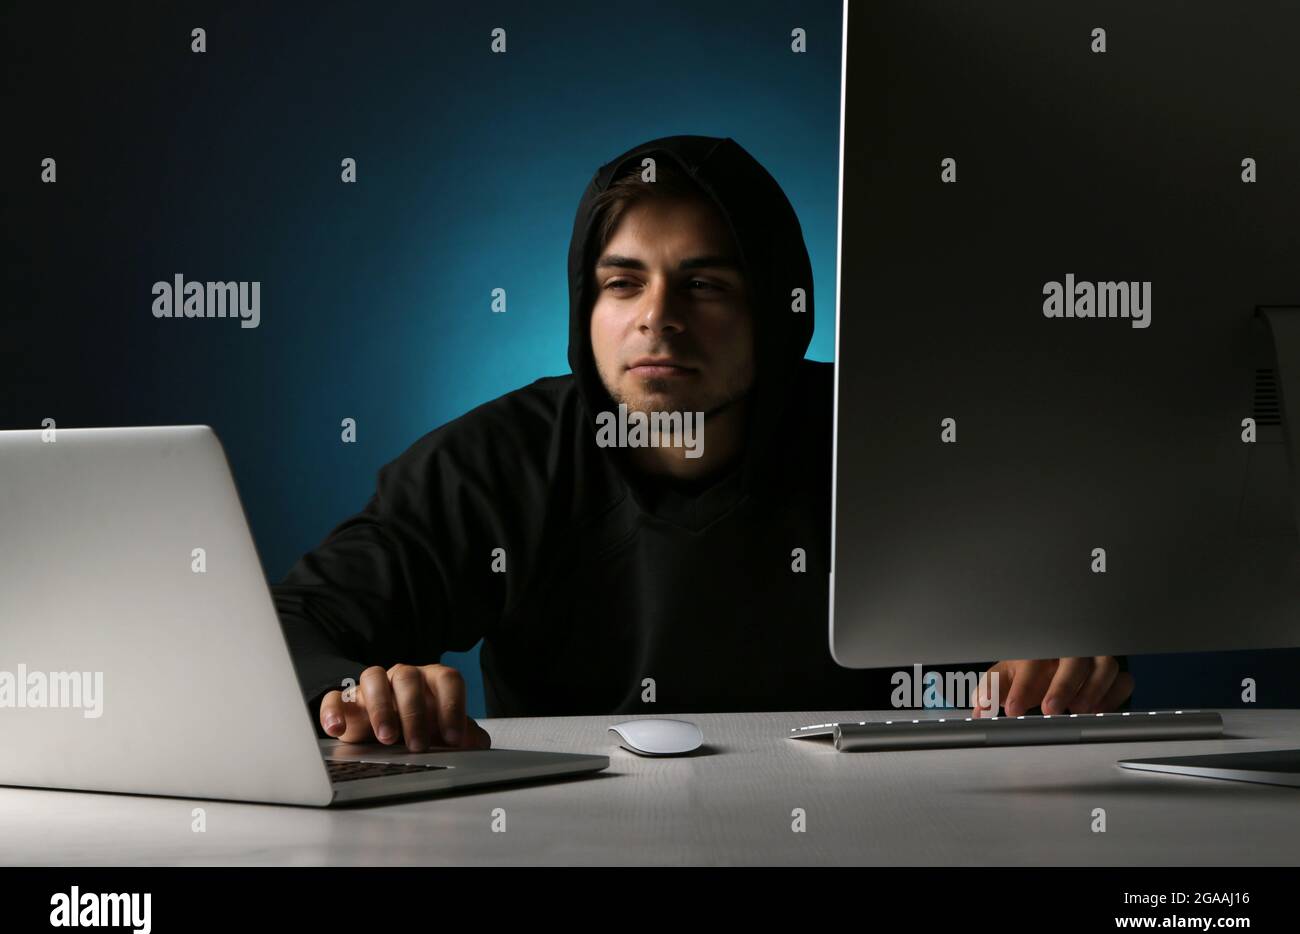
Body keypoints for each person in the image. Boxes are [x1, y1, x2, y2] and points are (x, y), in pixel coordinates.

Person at [271, 134, 1133, 752]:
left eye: (706, 284)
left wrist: (1061, 655)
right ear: (587, 309)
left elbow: (1056, 614)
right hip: (568, 842)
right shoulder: (498, 463)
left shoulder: (889, 446)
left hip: (877, 833)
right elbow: (293, 623)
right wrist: (357, 694)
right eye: (622, 283)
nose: (658, 318)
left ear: (777, 310)